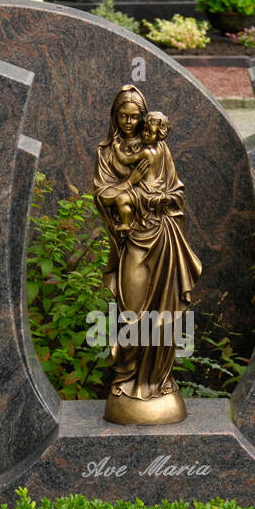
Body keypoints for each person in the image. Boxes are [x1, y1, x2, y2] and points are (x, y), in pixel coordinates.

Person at [93, 86, 202, 423]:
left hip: (161, 237)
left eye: (135, 116)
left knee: (164, 312)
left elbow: (175, 193)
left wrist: (154, 199)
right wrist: (131, 187)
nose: (129, 122)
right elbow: (102, 193)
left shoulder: (158, 149)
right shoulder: (107, 153)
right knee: (133, 309)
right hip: (130, 241)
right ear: (114, 116)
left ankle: (157, 380)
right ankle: (126, 377)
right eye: (123, 116)